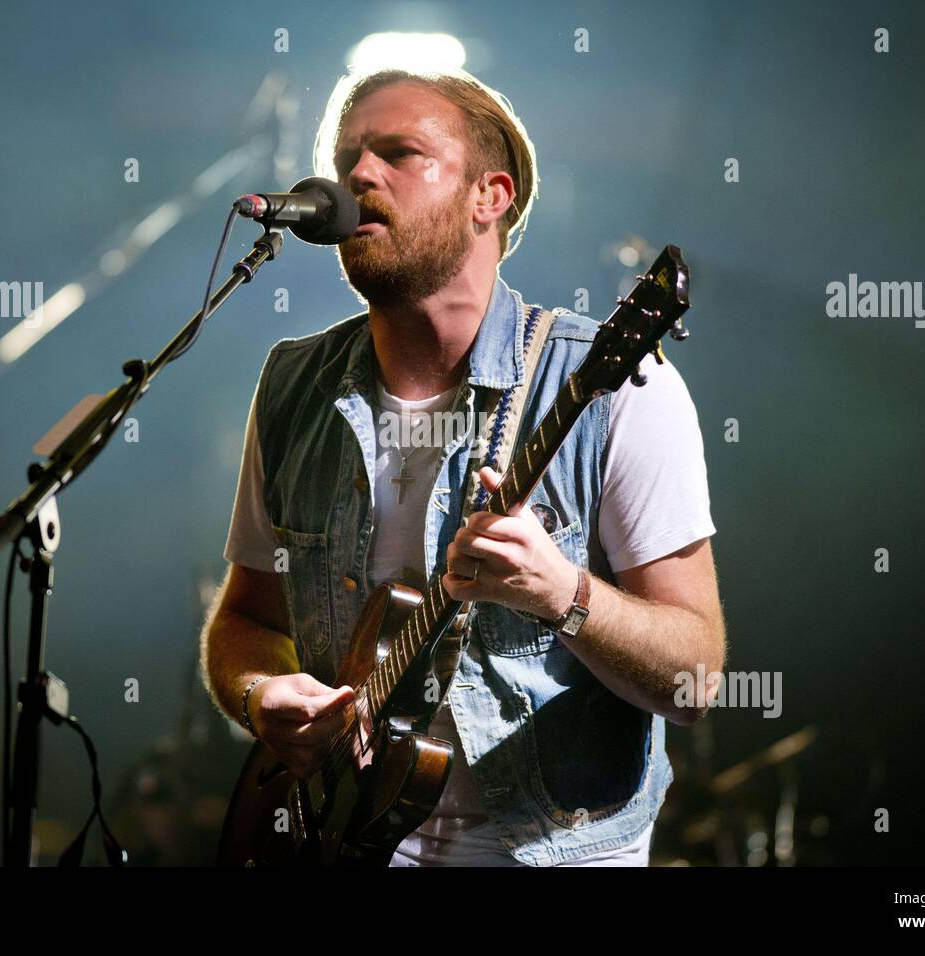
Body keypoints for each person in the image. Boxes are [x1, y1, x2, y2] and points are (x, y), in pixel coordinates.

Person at [202, 66, 725, 866]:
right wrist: (258, 691)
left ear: (491, 196)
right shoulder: (291, 386)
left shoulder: (614, 391)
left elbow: (694, 680)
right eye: (348, 161)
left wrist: (567, 596)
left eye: (400, 153)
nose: (359, 177)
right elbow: (246, 623)